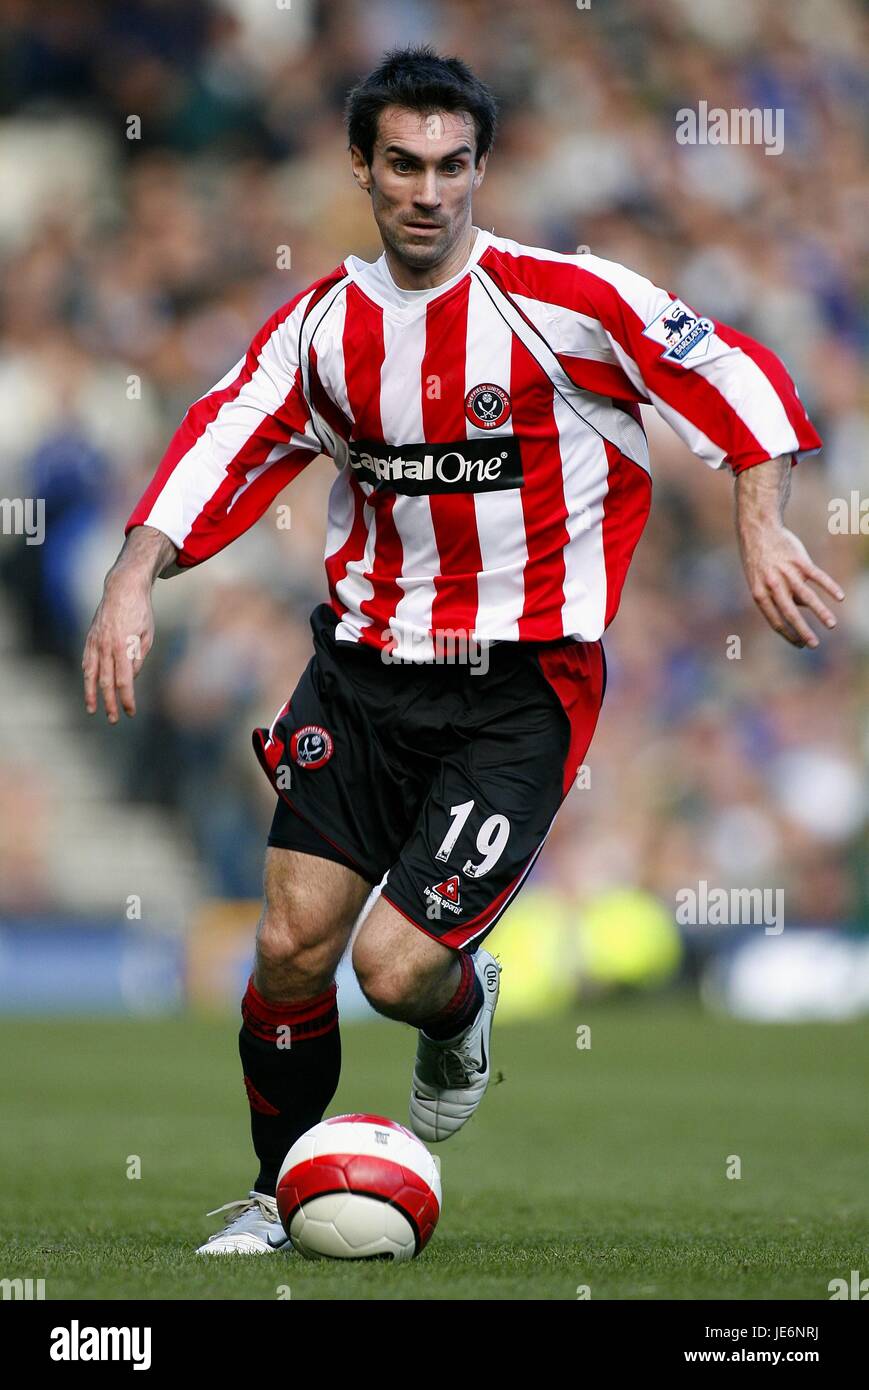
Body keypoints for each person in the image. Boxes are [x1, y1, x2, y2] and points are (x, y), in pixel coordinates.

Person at [81, 46, 842, 1254]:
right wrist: (133, 575)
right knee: (286, 947)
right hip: (364, 667)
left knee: (390, 971)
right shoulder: (325, 324)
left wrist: (759, 531)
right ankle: (277, 1195)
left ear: (480, 169)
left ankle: (457, 998)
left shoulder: (568, 300)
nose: (427, 192)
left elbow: (735, 376)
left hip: (520, 688)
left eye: (450, 166)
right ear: (360, 169)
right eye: (401, 165)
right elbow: (221, 433)